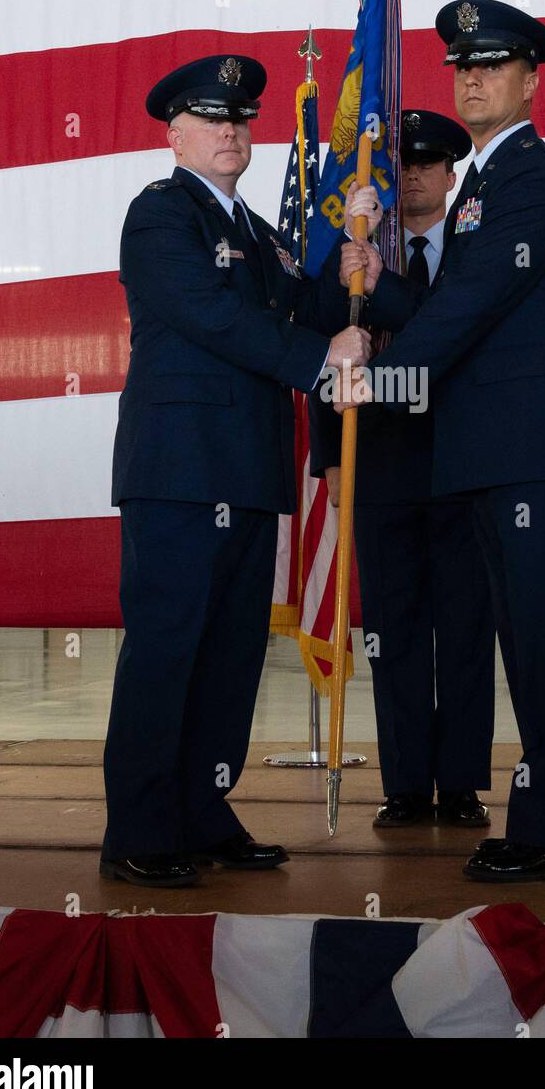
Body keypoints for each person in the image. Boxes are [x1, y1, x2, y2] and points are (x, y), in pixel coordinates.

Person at [333, 0, 545, 882]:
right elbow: (440, 313)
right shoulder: (486, 189)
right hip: (503, 454)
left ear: (530, 80)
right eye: (461, 66)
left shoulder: (531, 180)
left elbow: (464, 314)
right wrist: (376, 289)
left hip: (535, 449)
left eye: (492, 66)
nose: (471, 78)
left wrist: (371, 381)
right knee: (531, 644)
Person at [101, 53, 379, 888]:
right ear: (174, 133)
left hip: (249, 470)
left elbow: (304, 311)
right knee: (167, 648)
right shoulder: (160, 217)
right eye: (212, 119)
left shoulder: (258, 232)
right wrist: (318, 355)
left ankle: (201, 810)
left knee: (228, 657)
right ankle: (141, 832)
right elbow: (214, 318)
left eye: (241, 120)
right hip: (181, 472)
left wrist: (352, 246)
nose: (231, 131)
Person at [310, 110, 497, 829]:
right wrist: (328, 453)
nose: (413, 176)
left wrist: (381, 285)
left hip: (461, 458)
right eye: (400, 167)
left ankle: (459, 785)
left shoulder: (477, 247)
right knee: (391, 629)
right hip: (379, 459)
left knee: (464, 628)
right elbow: (327, 344)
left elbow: (446, 327)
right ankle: (406, 784)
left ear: (451, 178)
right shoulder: (353, 248)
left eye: (427, 165)